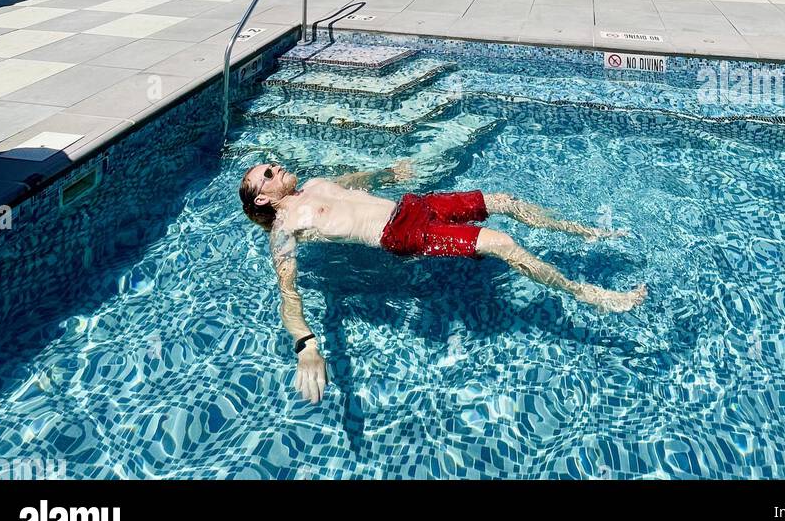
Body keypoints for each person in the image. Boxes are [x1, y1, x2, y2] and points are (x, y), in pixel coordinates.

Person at [239, 161, 646, 403]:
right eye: (269, 172)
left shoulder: (315, 185)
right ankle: (589, 295)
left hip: (414, 205)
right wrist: (306, 346)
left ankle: (585, 232)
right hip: (401, 233)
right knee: (502, 244)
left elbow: (358, 182)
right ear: (262, 198)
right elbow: (288, 295)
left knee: (502, 200)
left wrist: (387, 173)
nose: (278, 166)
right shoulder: (286, 228)